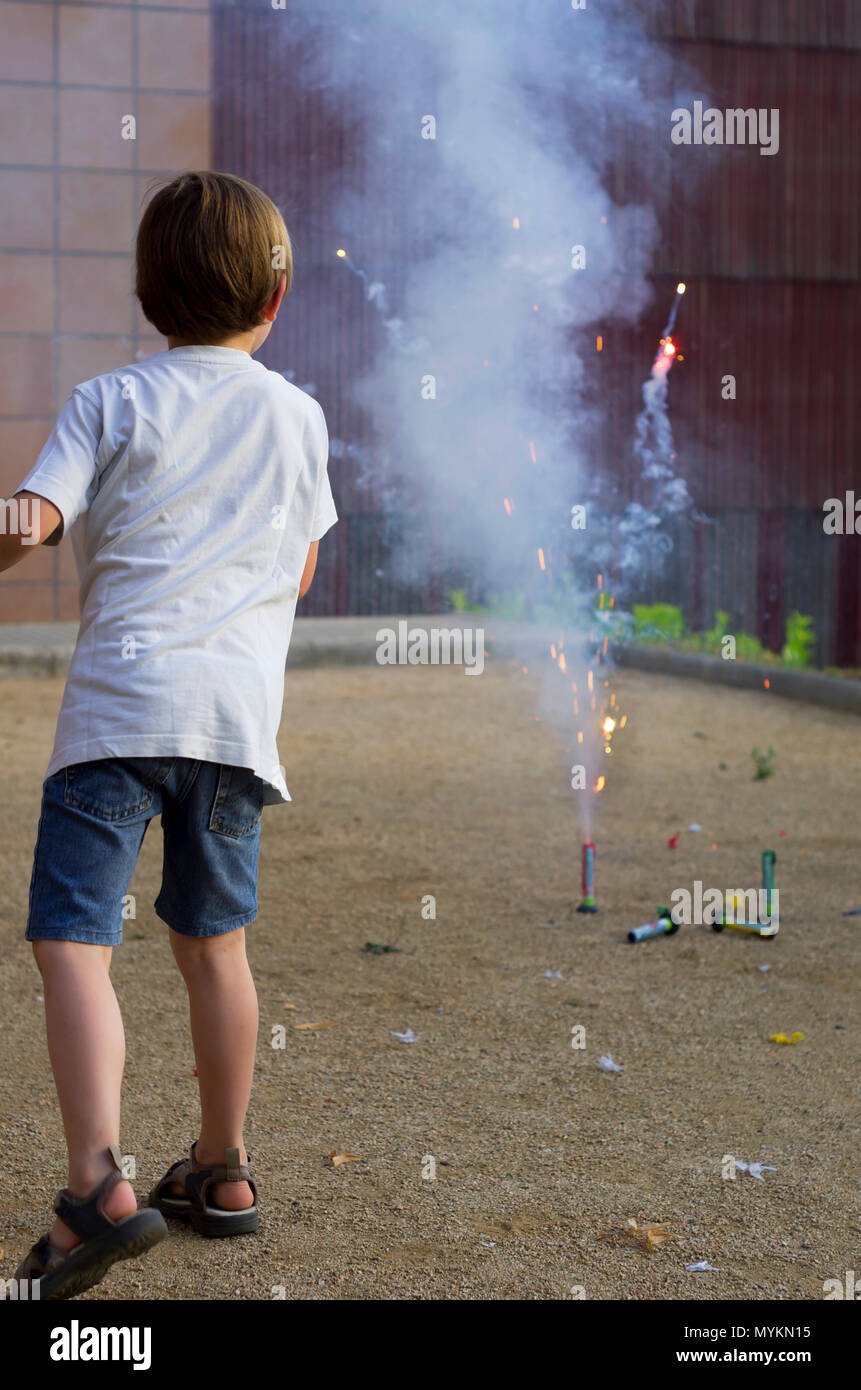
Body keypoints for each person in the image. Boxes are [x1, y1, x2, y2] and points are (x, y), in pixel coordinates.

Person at [1, 171, 337, 1300]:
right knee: (216, 945)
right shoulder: (299, 415)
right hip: (235, 725)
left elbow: (32, 522)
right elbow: (295, 566)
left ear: (148, 295)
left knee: (73, 943)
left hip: (116, 716)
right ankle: (224, 1169)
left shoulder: (109, 401)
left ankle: (98, 1182)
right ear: (276, 298)